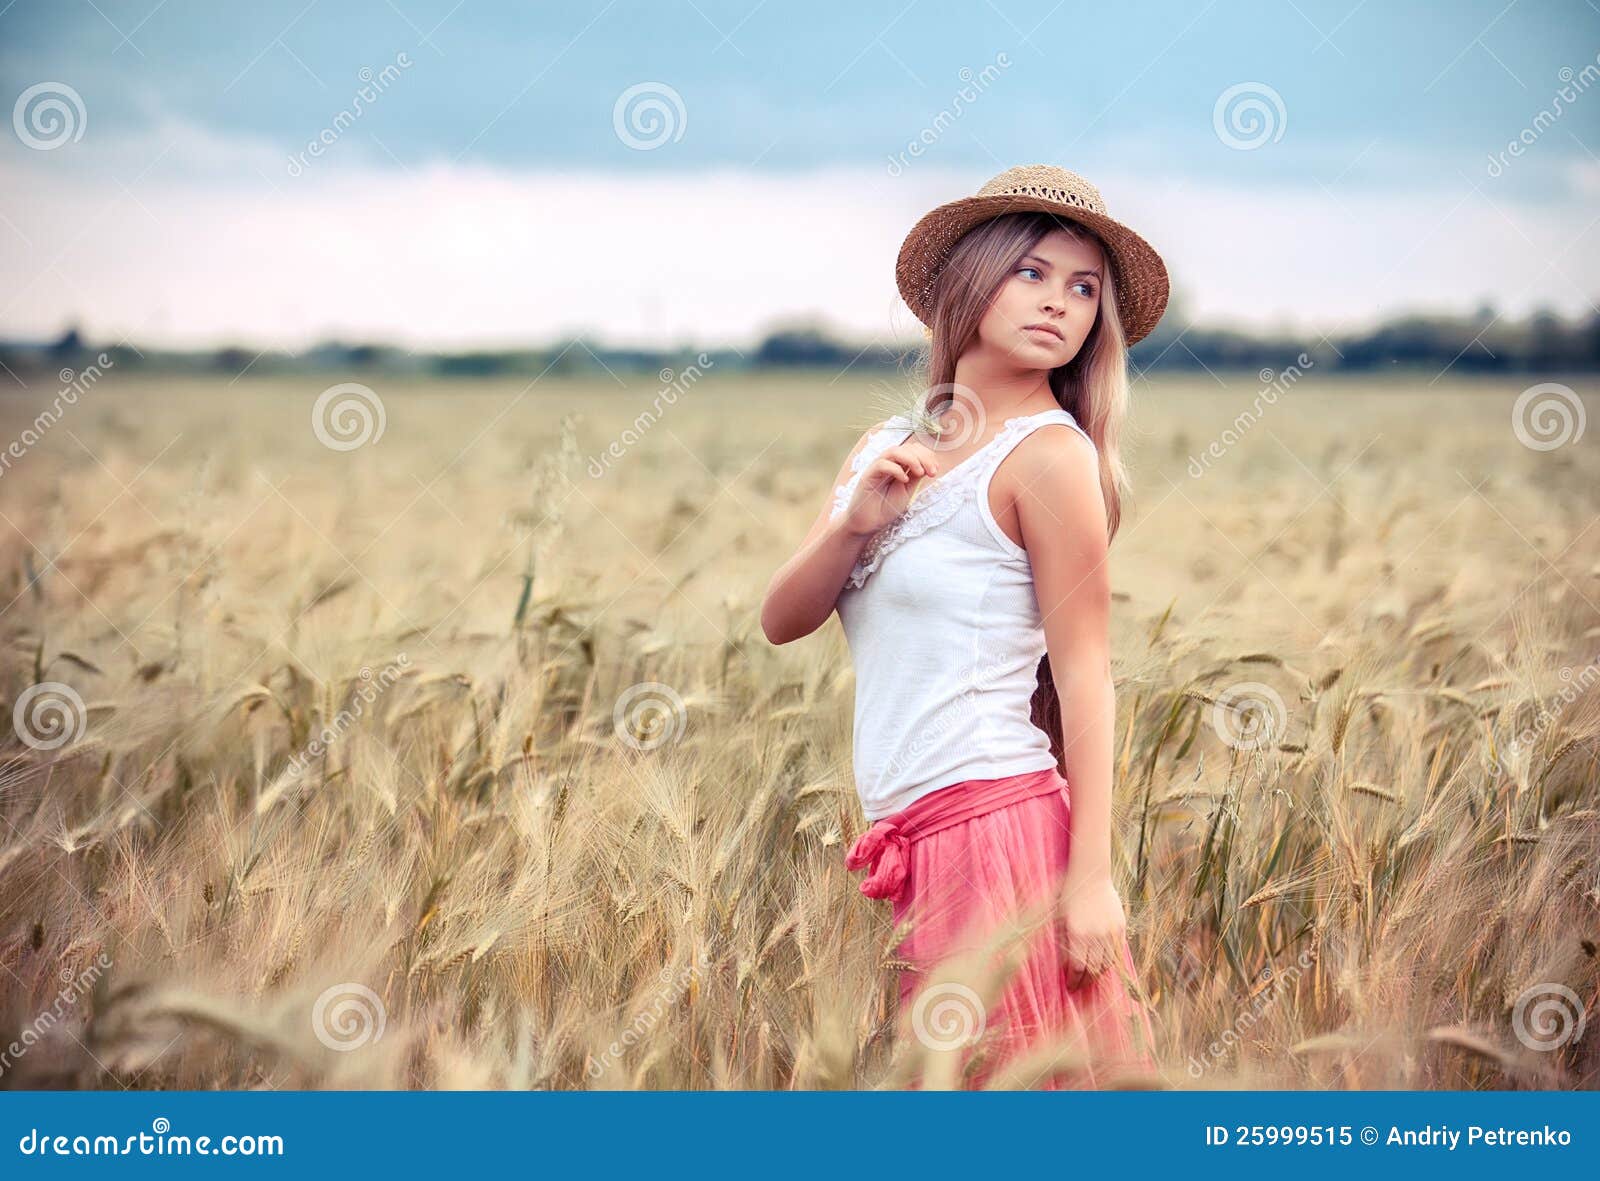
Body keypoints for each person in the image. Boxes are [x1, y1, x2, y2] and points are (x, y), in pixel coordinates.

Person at [760, 164, 1168, 1090]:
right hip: (909, 837)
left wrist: (1091, 879)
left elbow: (1086, 675)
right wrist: (853, 523)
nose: (1058, 303)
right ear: (966, 283)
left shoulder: (1052, 458)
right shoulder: (882, 448)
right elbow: (783, 618)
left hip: (996, 829)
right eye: (1031, 272)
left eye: (1083, 288)